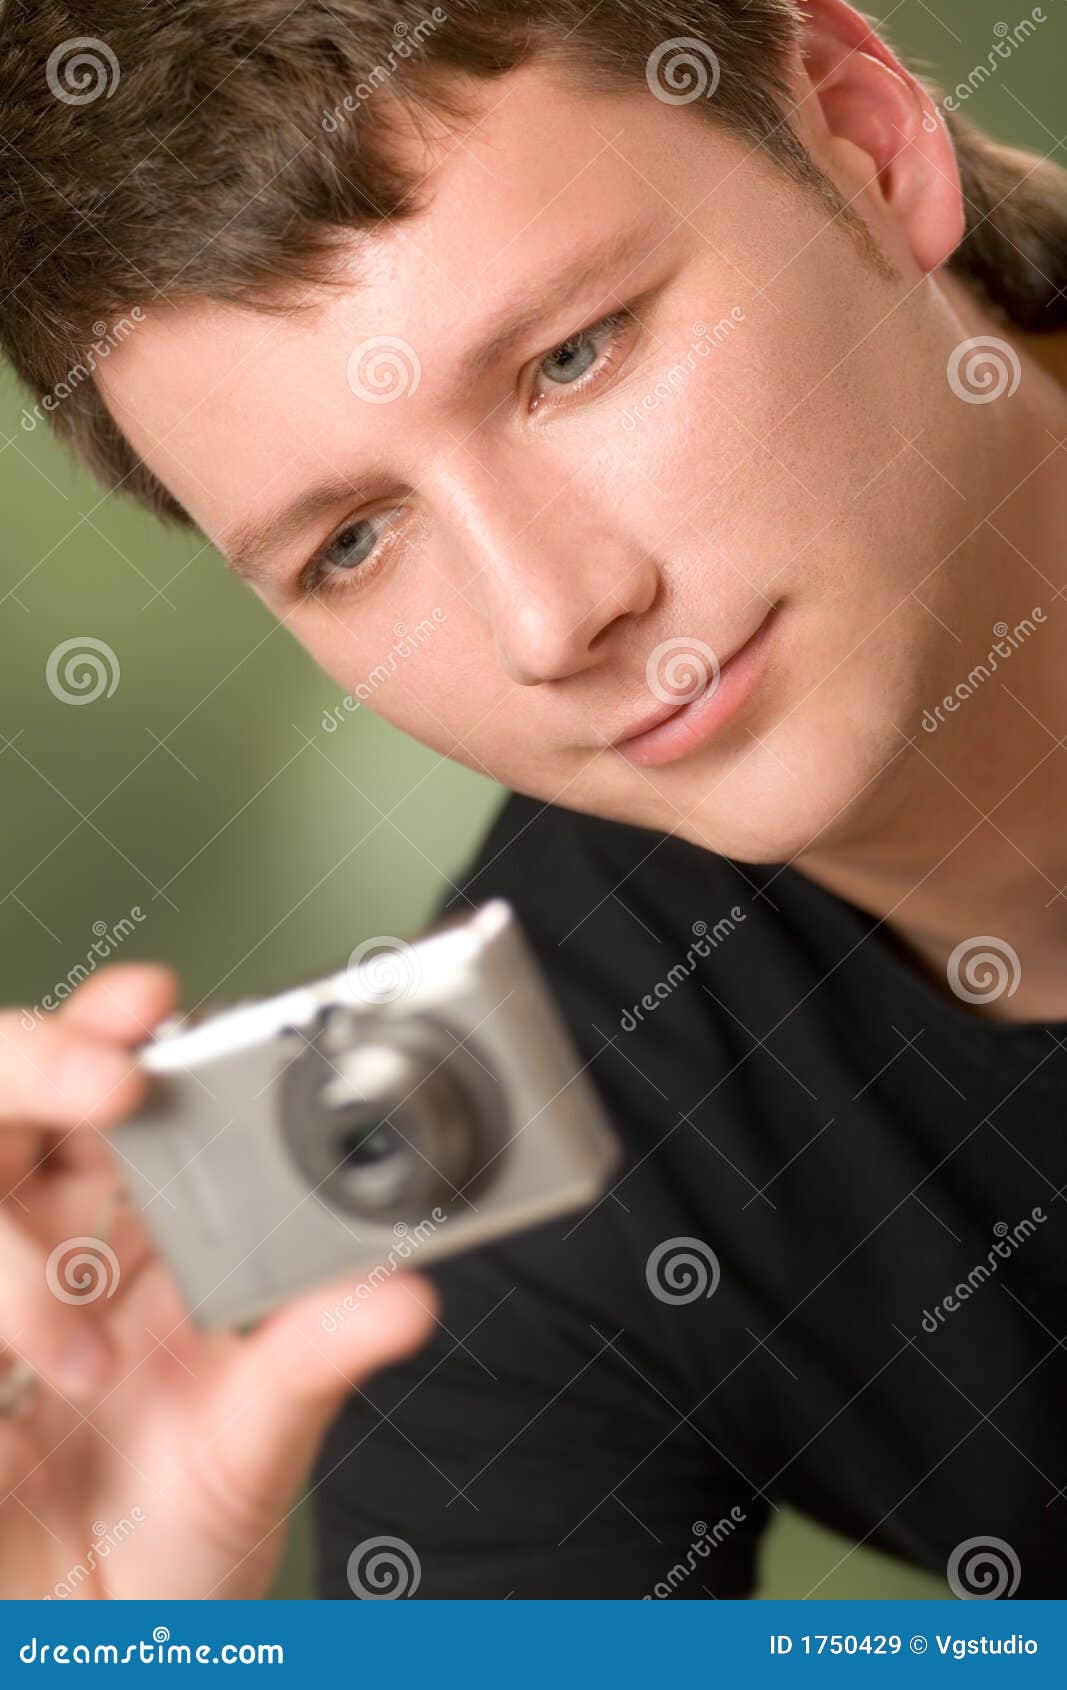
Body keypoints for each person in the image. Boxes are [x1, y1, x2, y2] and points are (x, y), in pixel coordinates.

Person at [0, 0, 1064, 1599]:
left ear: (863, 132)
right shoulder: (497, 1167)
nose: (551, 615)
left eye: (574, 356)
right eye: (351, 542)